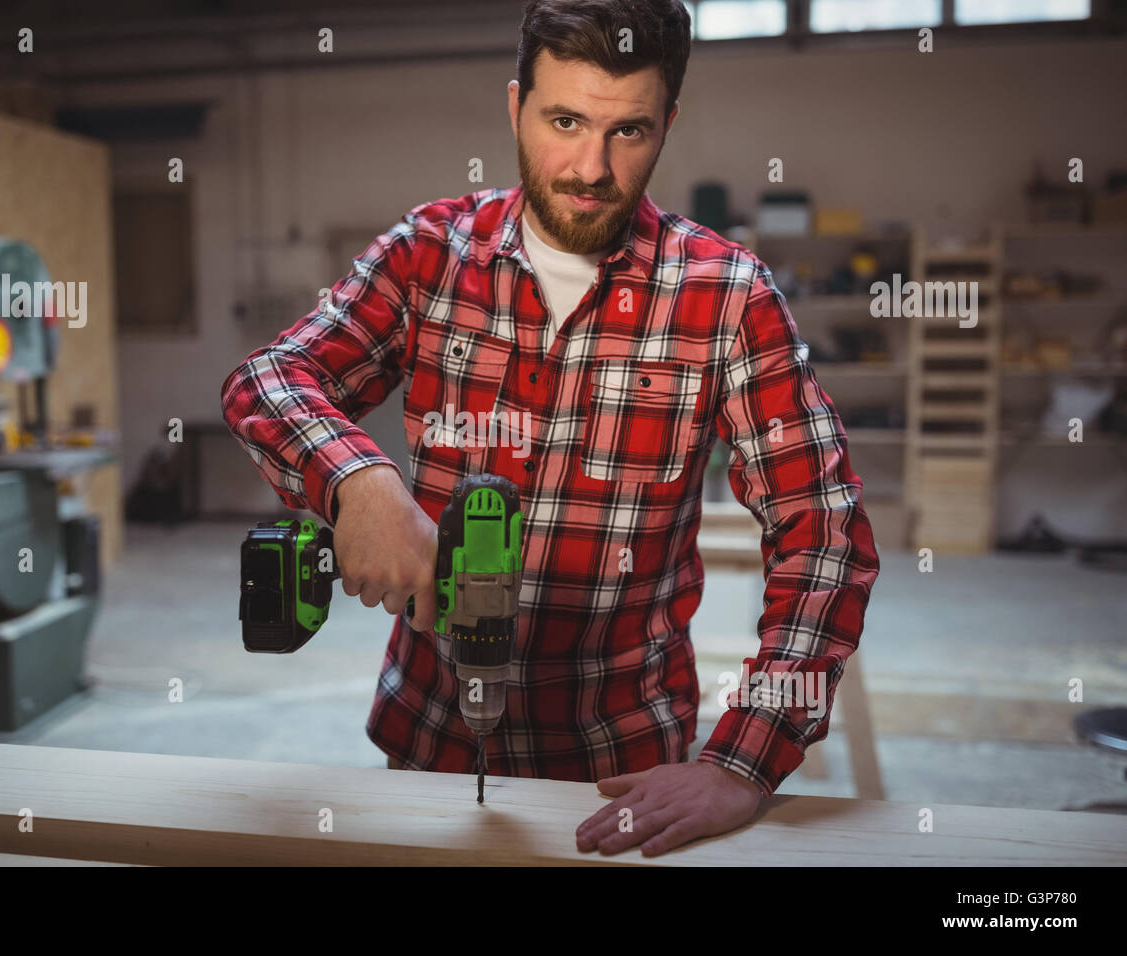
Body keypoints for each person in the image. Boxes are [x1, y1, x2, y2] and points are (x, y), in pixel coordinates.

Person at [221, 0, 880, 858]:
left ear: (669, 124)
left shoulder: (726, 297)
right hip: (430, 749)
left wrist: (743, 760)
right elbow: (268, 379)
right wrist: (358, 481)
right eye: (563, 121)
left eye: (629, 131)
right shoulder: (429, 256)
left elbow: (823, 531)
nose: (591, 168)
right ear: (515, 107)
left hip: (622, 776)